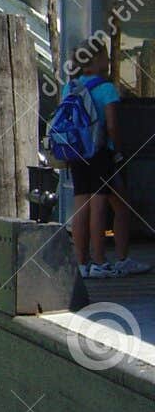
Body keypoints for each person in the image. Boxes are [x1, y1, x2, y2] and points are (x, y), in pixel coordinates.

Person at [68, 42, 150, 277]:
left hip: (77, 153)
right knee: (104, 207)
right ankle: (103, 261)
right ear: (96, 60)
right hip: (101, 154)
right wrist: (118, 151)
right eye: (104, 55)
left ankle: (81, 263)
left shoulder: (70, 87)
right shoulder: (106, 89)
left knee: (82, 206)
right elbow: (112, 126)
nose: (108, 59)